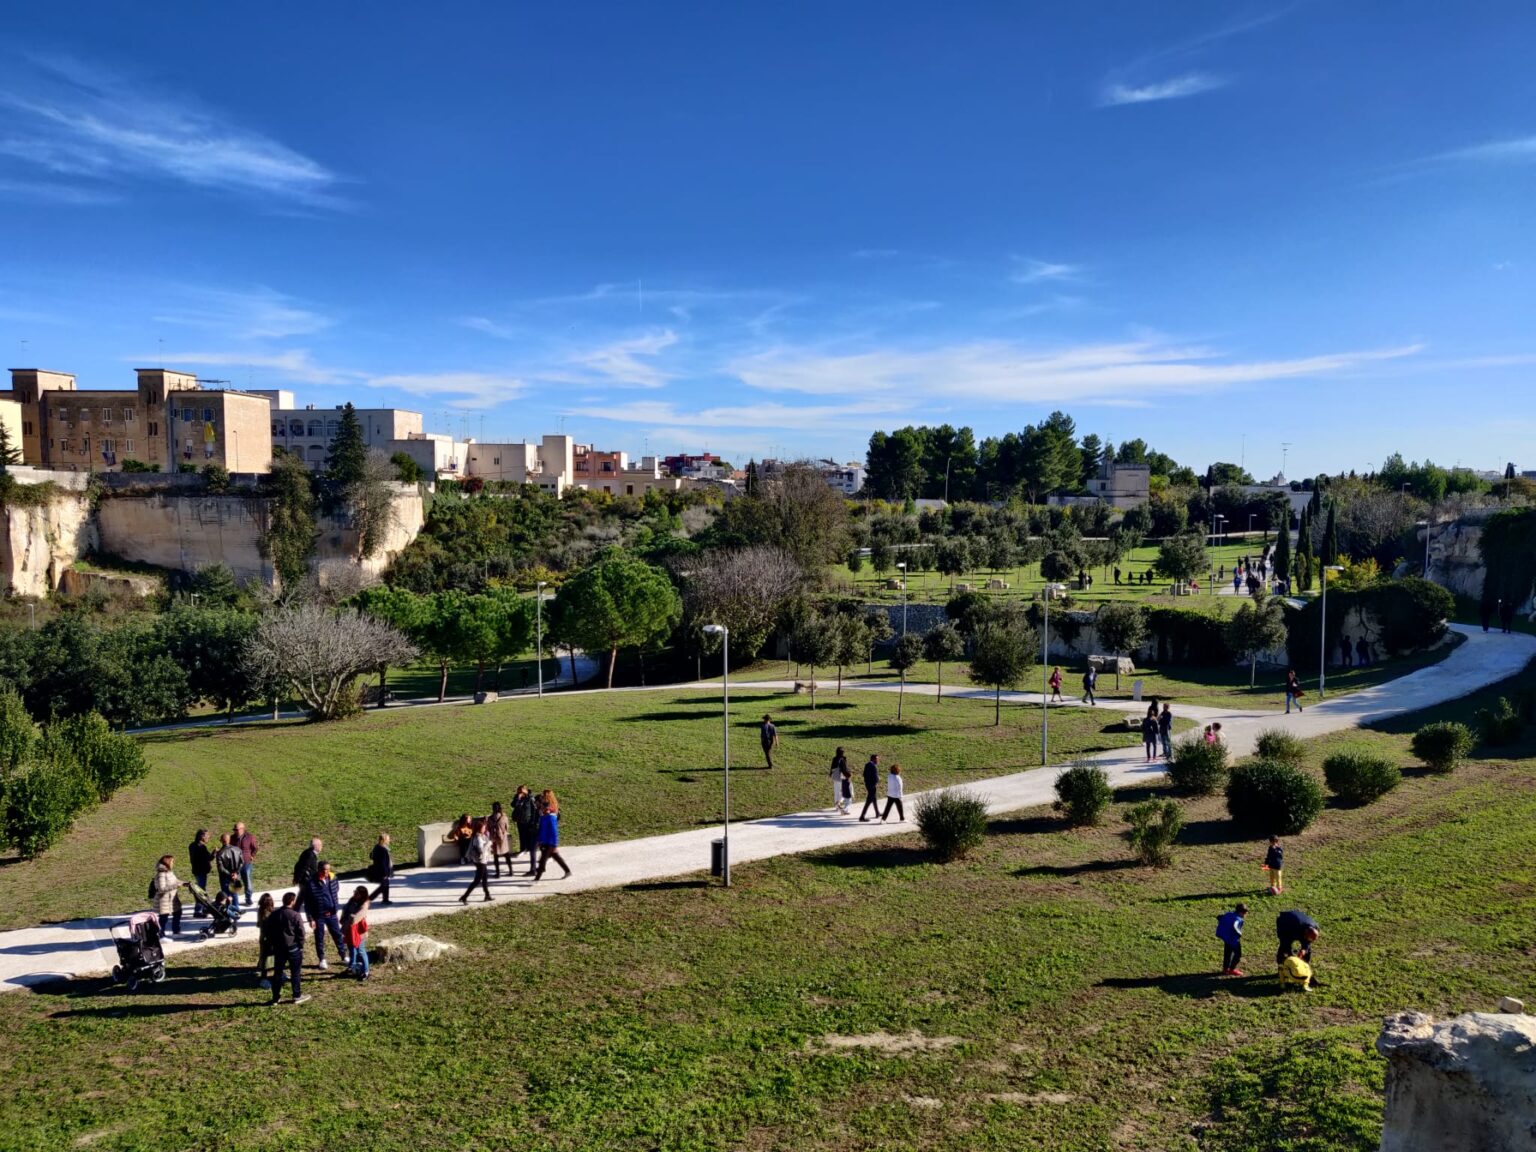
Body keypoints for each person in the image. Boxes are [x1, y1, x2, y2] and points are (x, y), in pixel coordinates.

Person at [266, 891, 310, 1006]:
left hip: (279, 948)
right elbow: (301, 932)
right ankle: (296, 995)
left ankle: (275, 998)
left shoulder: (274, 914)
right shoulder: (295, 915)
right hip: (293, 948)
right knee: (295, 972)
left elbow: (268, 931)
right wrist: (300, 945)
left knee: (278, 973)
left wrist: (272, 944)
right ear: (292, 901)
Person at [306, 860, 345, 970]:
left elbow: (335, 891)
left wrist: (335, 907)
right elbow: (307, 903)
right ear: (318, 870)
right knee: (319, 938)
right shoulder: (311, 883)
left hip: (332, 914)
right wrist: (310, 919)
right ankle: (322, 959)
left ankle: (343, 955)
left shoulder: (333, 879)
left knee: (337, 935)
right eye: (324, 870)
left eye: (328, 869)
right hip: (318, 916)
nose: (326, 872)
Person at [534, 790, 571, 880]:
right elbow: (542, 829)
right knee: (556, 857)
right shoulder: (544, 817)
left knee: (543, 859)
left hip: (550, 842)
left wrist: (554, 844)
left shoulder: (550, 817)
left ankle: (537, 877)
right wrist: (540, 839)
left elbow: (554, 831)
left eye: (543, 808)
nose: (541, 809)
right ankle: (567, 871)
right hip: (545, 840)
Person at [459, 820, 494, 903]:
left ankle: (487, 895)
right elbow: (481, 850)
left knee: (485, 878)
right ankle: (464, 897)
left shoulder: (482, 836)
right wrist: (489, 844)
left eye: (485, 828)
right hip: (480, 861)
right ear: (479, 828)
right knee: (477, 881)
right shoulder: (478, 838)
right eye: (483, 828)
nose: (484, 829)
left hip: (482, 860)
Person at [150, 854, 184, 937]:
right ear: (167, 862)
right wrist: (176, 886)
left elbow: (176, 881)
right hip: (164, 900)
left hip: (172, 899)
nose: (173, 863)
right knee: (164, 918)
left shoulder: (169, 872)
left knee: (178, 912)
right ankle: (161, 935)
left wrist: (184, 883)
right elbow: (161, 889)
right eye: (172, 861)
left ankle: (176, 931)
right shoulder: (161, 874)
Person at [512, 785, 540, 876]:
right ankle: (522, 849)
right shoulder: (518, 797)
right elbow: (513, 805)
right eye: (518, 791)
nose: (519, 793)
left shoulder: (530, 798)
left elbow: (534, 810)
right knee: (521, 835)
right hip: (520, 820)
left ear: (525, 791)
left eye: (520, 791)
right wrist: (518, 798)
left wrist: (532, 821)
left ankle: (528, 849)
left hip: (528, 820)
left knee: (528, 835)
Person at [231, 821, 259, 911]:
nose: (235, 831)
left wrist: (252, 856)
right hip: (236, 865)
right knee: (235, 882)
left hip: (246, 863)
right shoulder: (232, 838)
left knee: (248, 881)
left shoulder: (250, 837)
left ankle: (248, 898)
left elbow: (255, 848)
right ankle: (235, 901)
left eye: (236, 829)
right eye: (234, 829)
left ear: (242, 829)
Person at [1216, 902, 1248, 976]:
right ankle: (1232, 969)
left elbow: (1219, 917)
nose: (1245, 915)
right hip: (1233, 940)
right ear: (1241, 912)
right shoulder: (1238, 919)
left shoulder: (1229, 914)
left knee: (1227, 953)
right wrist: (1239, 933)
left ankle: (1225, 969)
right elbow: (1235, 926)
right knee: (1238, 955)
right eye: (1245, 913)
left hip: (1226, 938)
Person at [345, 891, 371, 981]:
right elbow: (345, 909)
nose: (355, 894)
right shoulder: (352, 900)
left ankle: (366, 971)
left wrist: (350, 916)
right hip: (350, 931)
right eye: (355, 892)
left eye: (357, 893)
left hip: (359, 933)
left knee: (361, 950)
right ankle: (351, 967)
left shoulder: (364, 904)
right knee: (351, 949)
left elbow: (355, 919)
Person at [215, 833, 244, 909]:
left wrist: (230, 874)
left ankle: (229, 911)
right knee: (234, 893)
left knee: (226, 896)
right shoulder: (238, 849)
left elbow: (221, 868)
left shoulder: (220, 853)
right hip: (236, 876)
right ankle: (236, 910)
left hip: (225, 877)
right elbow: (241, 863)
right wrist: (236, 873)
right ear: (229, 840)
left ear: (221, 841)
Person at [254, 892, 276, 990]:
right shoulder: (269, 913)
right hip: (269, 938)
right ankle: (264, 977)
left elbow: (258, 924)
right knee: (268, 957)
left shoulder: (260, 910)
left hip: (263, 937)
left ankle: (262, 971)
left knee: (264, 956)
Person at [188, 830, 213, 914]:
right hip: (201, 871)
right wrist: (214, 853)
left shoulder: (192, 845)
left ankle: (204, 907)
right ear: (202, 837)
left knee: (200, 889)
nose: (208, 838)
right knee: (200, 890)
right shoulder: (202, 847)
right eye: (207, 836)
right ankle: (198, 909)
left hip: (196, 870)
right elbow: (209, 858)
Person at [367, 833, 394, 905]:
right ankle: (369, 899)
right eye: (388, 839)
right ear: (383, 840)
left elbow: (371, 856)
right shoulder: (382, 850)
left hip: (381, 870)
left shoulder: (378, 847)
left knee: (386, 885)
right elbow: (382, 863)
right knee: (383, 886)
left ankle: (385, 900)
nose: (389, 840)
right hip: (382, 872)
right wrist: (385, 873)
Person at [486, 801, 511, 879]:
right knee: (506, 855)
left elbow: (488, 829)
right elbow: (507, 827)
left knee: (496, 857)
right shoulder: (504, 817)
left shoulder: (490, 818)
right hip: (503, 838)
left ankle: (498, 873)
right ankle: (511, 871)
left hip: (494, 838)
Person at [859, 753, 882, 821]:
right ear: (873, 759)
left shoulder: (867, 764)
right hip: (872, 785)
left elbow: (864, 774)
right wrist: (878, 779)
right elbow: (875, 778)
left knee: (874, 799)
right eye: (877, 759)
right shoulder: (873, 766)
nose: (878, 760)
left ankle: (877, 813)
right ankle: (862, 817)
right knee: (868, 801)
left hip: (868, 784)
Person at [829, 747, 848, 812]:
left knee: (836, 791)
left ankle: (837, 806)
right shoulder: (843, 759)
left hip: (835, 776)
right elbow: (845, 768)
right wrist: (847, 775)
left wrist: (830, 774)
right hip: (841, 776)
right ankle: (839, 803)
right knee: (842, 791)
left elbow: (832, 767)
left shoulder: (835, 758)